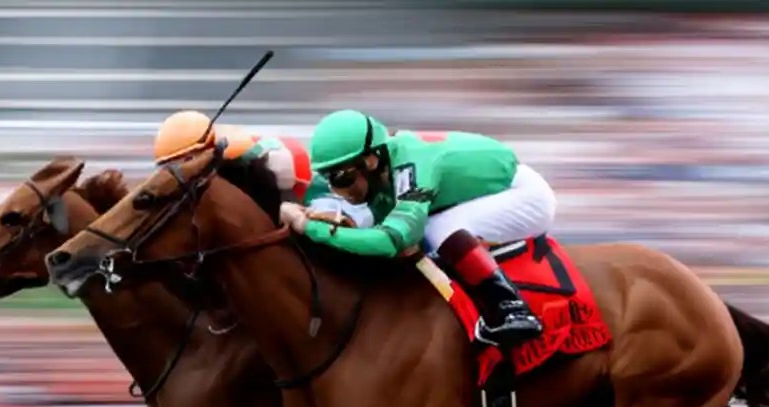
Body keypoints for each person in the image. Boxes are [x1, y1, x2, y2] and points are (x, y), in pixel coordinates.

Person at [282, 109, 555, 348]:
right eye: (330, 179)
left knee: (437, 229)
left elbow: (394, 241)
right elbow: (377, 236)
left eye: (343, 177)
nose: (338, 190)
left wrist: (309, 228)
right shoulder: (383, 170)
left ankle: (513, 310)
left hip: (523, 194)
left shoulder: (411, 166)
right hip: (479, 195)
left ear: (371, 161)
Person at [151, 110, 372, 227]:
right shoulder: (224, 153)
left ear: (195, 154)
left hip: (324, 200)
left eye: (178, 163)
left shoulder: (264, 160)